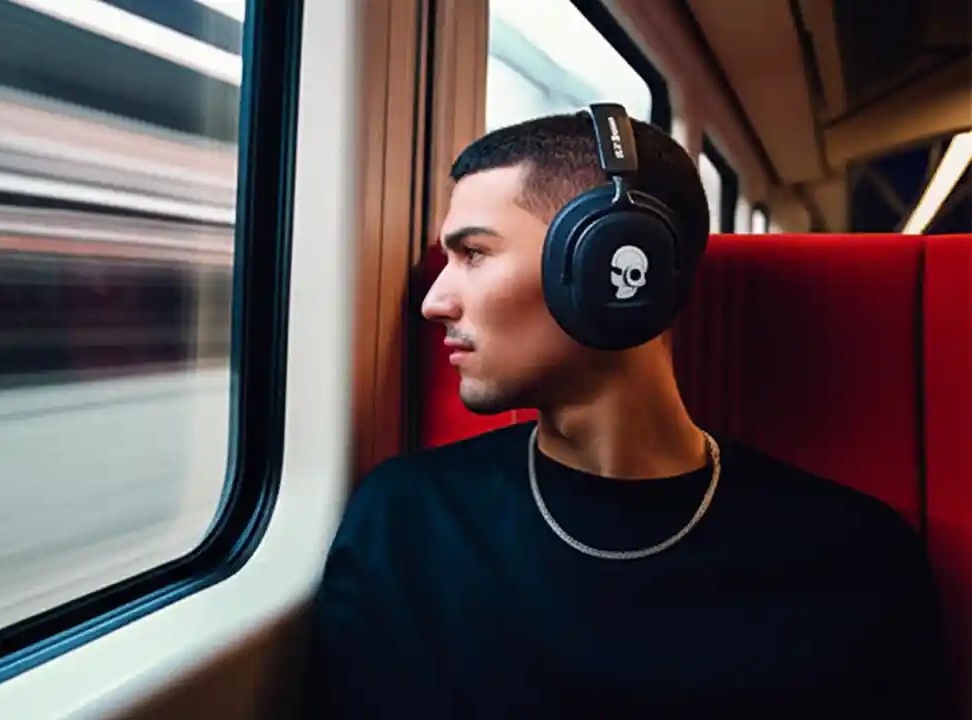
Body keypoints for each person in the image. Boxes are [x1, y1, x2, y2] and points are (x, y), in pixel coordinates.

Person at [303, 106, 948, 718]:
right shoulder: (402, 521)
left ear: (610, 261)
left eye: (473, 254)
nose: (434, 302)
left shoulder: (854, 562)